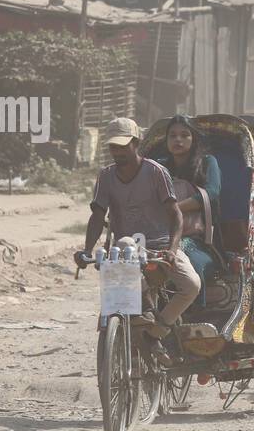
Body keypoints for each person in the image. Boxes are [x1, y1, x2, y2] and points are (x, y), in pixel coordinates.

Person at [74, 118, 200, 339]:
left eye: (123, 146)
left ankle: (158, 330)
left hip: (160, 245)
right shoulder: (106, 176)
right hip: (126, 250)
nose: (118, 152)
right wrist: (86, 250)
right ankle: (144, 307)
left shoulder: (156, 172)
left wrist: (172, 249)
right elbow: (97, 216)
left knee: (191, 285)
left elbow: (175, 215)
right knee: (124, 243)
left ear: (136, 143)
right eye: (114, 147)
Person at [150, 115, 222, 302]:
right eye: (172, 136)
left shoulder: (207, 162)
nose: (178, 140)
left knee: (190, 268)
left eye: (184, 135)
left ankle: (196, 317)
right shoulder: (159, 167)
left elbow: (211, 193)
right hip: (159, 237)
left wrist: (175, 210)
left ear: (193, 139)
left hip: (196, 240)